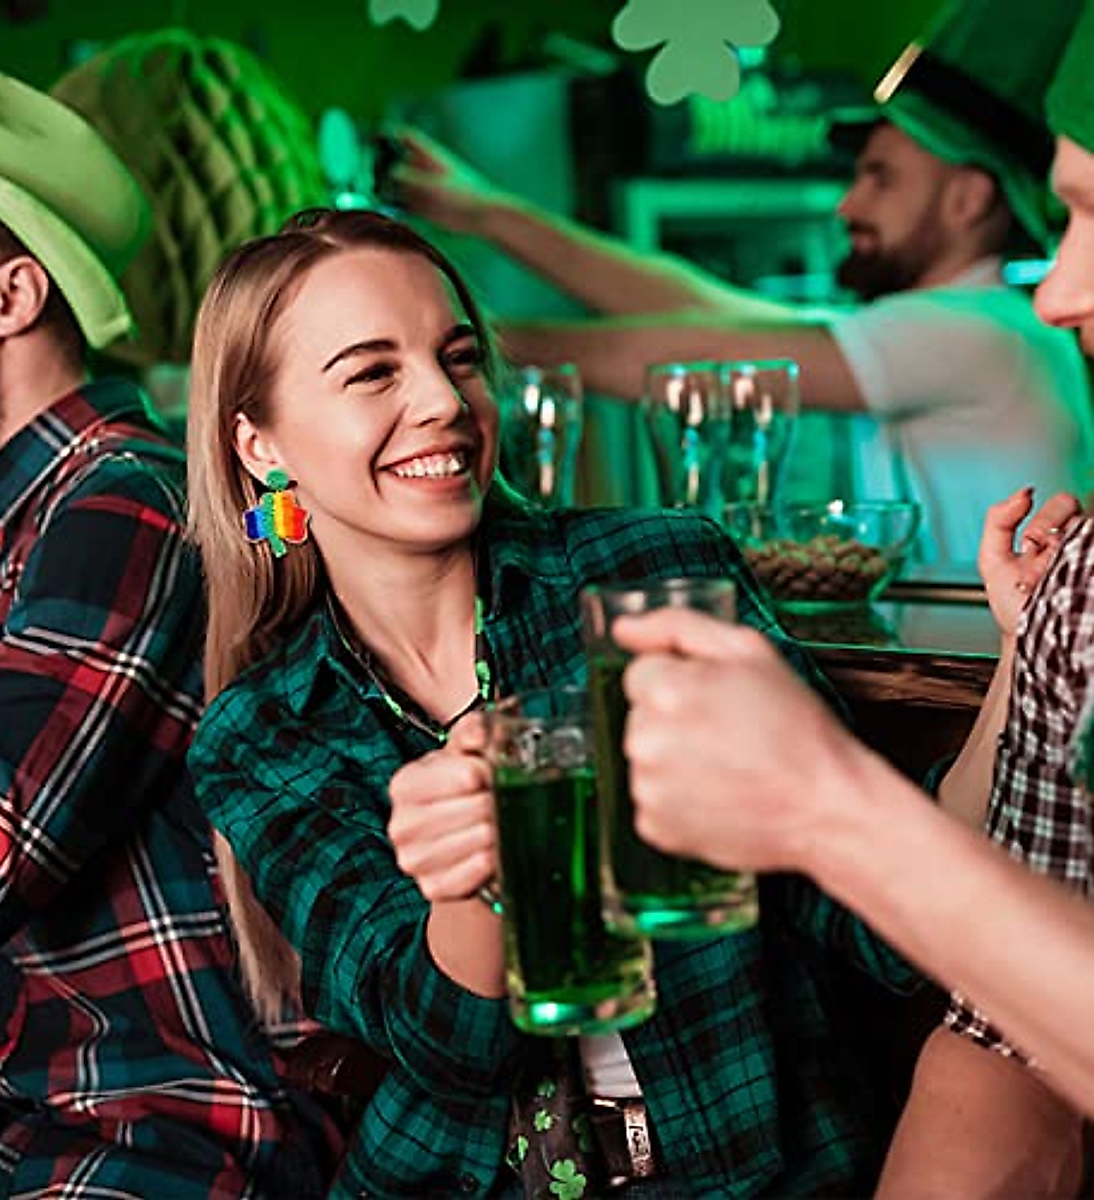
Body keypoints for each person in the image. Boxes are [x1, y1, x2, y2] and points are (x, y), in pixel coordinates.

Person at [184, 204, 923, 1198]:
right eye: (372, 372)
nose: (444, 401)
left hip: (758, 1168)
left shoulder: (646, 572)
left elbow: (875, 907)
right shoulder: (264, 727)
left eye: (458, 358)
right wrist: (476, 873)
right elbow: (449, 1050)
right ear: (261, 446)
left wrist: (1025, 671)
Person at [610, 13, 1094, 1189]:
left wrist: (828, 806)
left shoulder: (977, 332)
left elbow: (718, 342)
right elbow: (1006, 1042)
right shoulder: (1083, 582)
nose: (1059, 292)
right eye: (1071, 213)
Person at [0, 74, 334, 1195]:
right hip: (66, 1098)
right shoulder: (8, 515)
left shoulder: (117, 508)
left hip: (172, 1136)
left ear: (11, 297)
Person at [394, 0, 1094, 567]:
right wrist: (482, 211)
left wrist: (428, 346)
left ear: (968, 199)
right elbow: (699, 305)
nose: (847, 205)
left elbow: (707, 355)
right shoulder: (957, 323)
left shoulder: (979, 331)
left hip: (973, 696)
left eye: (880, 178)